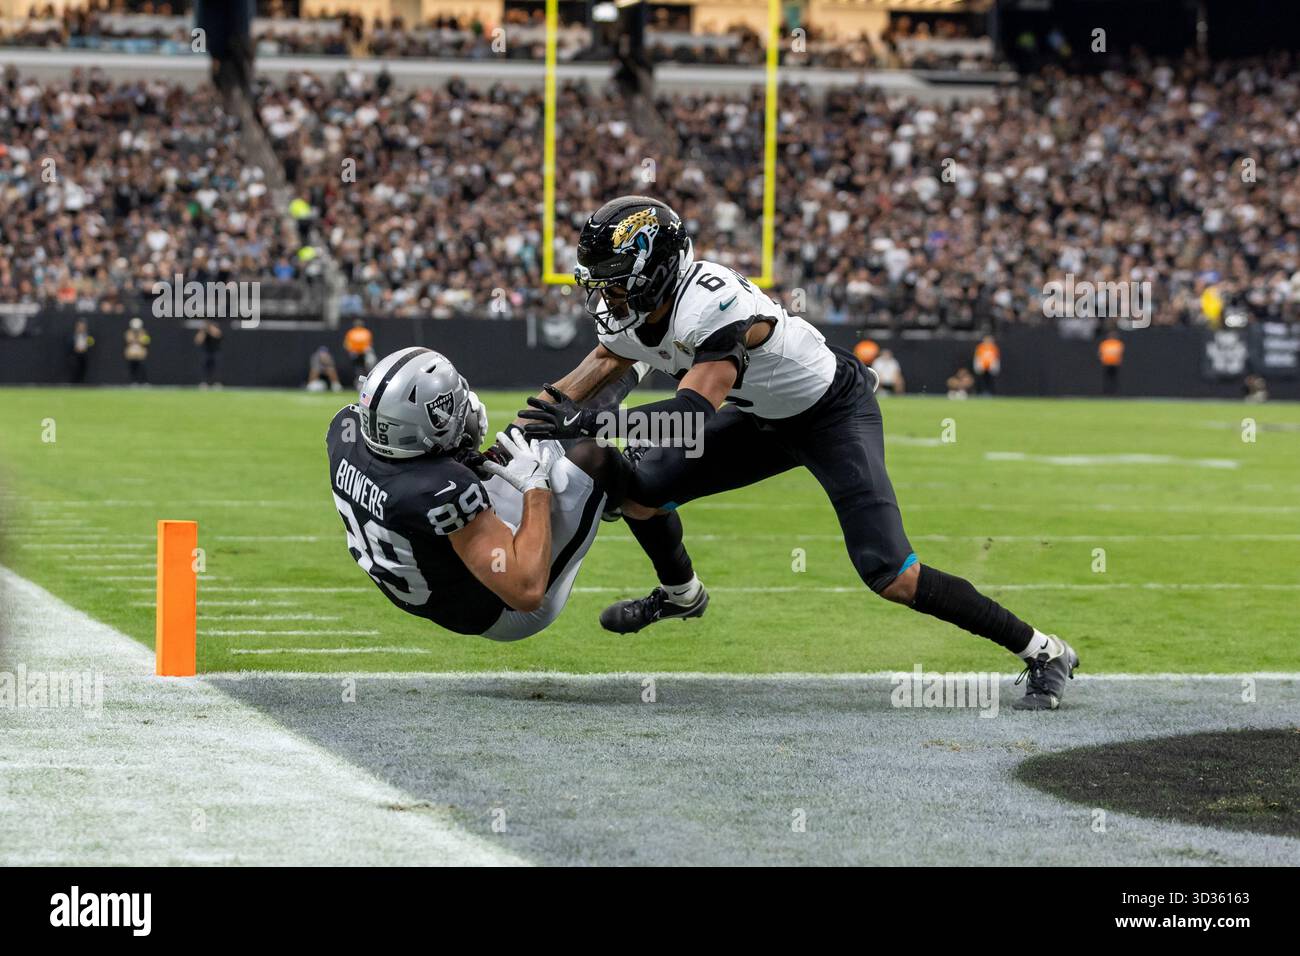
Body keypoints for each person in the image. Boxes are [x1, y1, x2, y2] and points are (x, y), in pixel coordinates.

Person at [517, 196, 1078, 710]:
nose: (606, 298)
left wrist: (592, 423)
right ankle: (681, 595)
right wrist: (506, 447)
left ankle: (1044, 651)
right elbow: (582, 380)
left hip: (830, 413)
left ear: (657, 273)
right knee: (640, 492)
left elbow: (687, 418)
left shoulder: (711, 308)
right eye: (602, 285)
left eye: (617, 285)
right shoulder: (646, 310)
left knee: (890, 573)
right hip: (761, 414)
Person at [326, 347, 653, 640]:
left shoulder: (346, 431)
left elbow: (409, 469)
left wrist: (458, 451)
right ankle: (616, 497)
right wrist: (535, 487)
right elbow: (526, 590)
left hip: (436, 560)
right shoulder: (443, 491)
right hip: (497, 605)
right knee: (592, 457)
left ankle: (637, 355)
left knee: (539, 423)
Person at [343, 318, 376, 383]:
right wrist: (351, 350)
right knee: (358, 369)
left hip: (365, 353)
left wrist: (367, 349)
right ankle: (358, 382)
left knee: (369, 366)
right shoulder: (351, 332)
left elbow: (370, 343)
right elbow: (346, 344)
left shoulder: (366, 332)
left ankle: (370, 380)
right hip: (355, 353)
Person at [194, 321, 223, 389]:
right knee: (204, 367)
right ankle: (204, 383)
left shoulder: (216, 327)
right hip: (206, 352)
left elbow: (218, 334)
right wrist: (204, 330)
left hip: (215, 352)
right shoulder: (203, 330)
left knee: (216, 368)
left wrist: (210, 328)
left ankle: (216, 383)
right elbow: (198, 341)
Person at [124, 317, 150, 385]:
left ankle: (144, 382)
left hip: (140, 353)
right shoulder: (128, 332)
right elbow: (128, 341)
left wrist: (138, 340)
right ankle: (134, 382)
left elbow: (146, 341)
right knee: (133, 368)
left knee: (142, 367)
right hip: (131, 353)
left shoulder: (143, 332)